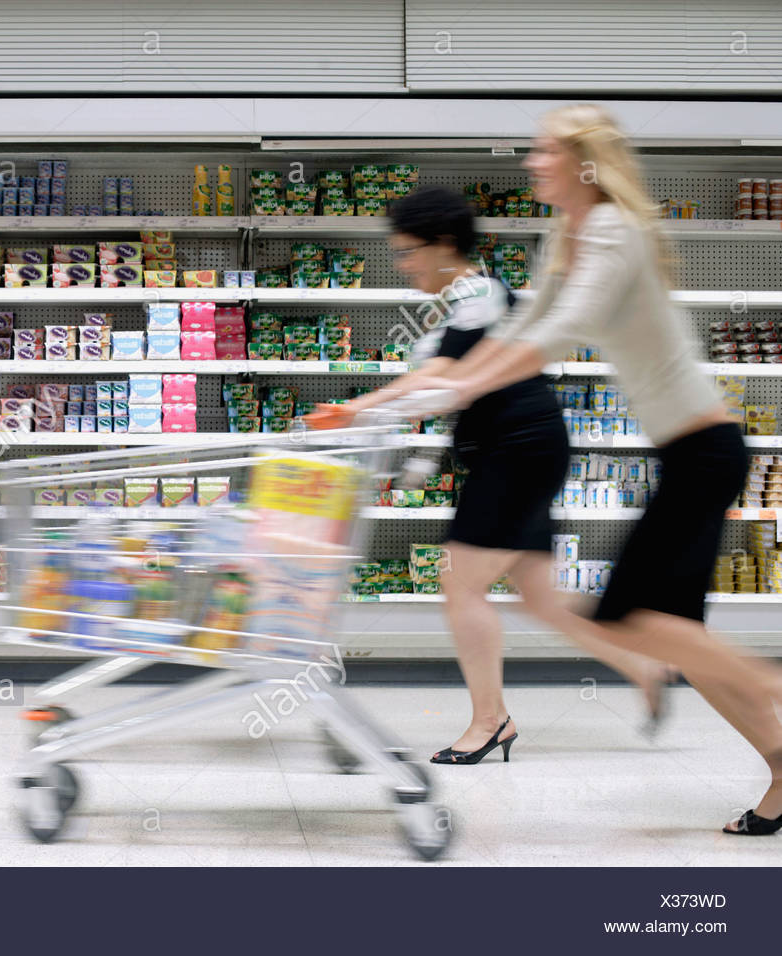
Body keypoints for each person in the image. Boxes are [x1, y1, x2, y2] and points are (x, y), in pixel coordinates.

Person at [395, 104, 782, 835]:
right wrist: (439, 381)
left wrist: (461, 386)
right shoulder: (564, 234)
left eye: (544, 151)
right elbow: (521, 326)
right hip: (686, 453)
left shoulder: (611, 230)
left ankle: (774, 686)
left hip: (707, 451)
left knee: (632, 617)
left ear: (583, 163)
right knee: (678, 641)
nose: (531, 162)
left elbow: (560, 331)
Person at [309, 186, 670, 766]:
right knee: (541, 599)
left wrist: (356, 408)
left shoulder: (478, 292)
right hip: (517, 448)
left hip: (516, 449)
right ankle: (642, 663)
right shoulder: (456, 306)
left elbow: (445, 375)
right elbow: (438, 392)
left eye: (408, 252)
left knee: (459, 582)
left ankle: (490, 721)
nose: (403, 265)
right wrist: (387, 428)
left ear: (444, 244)